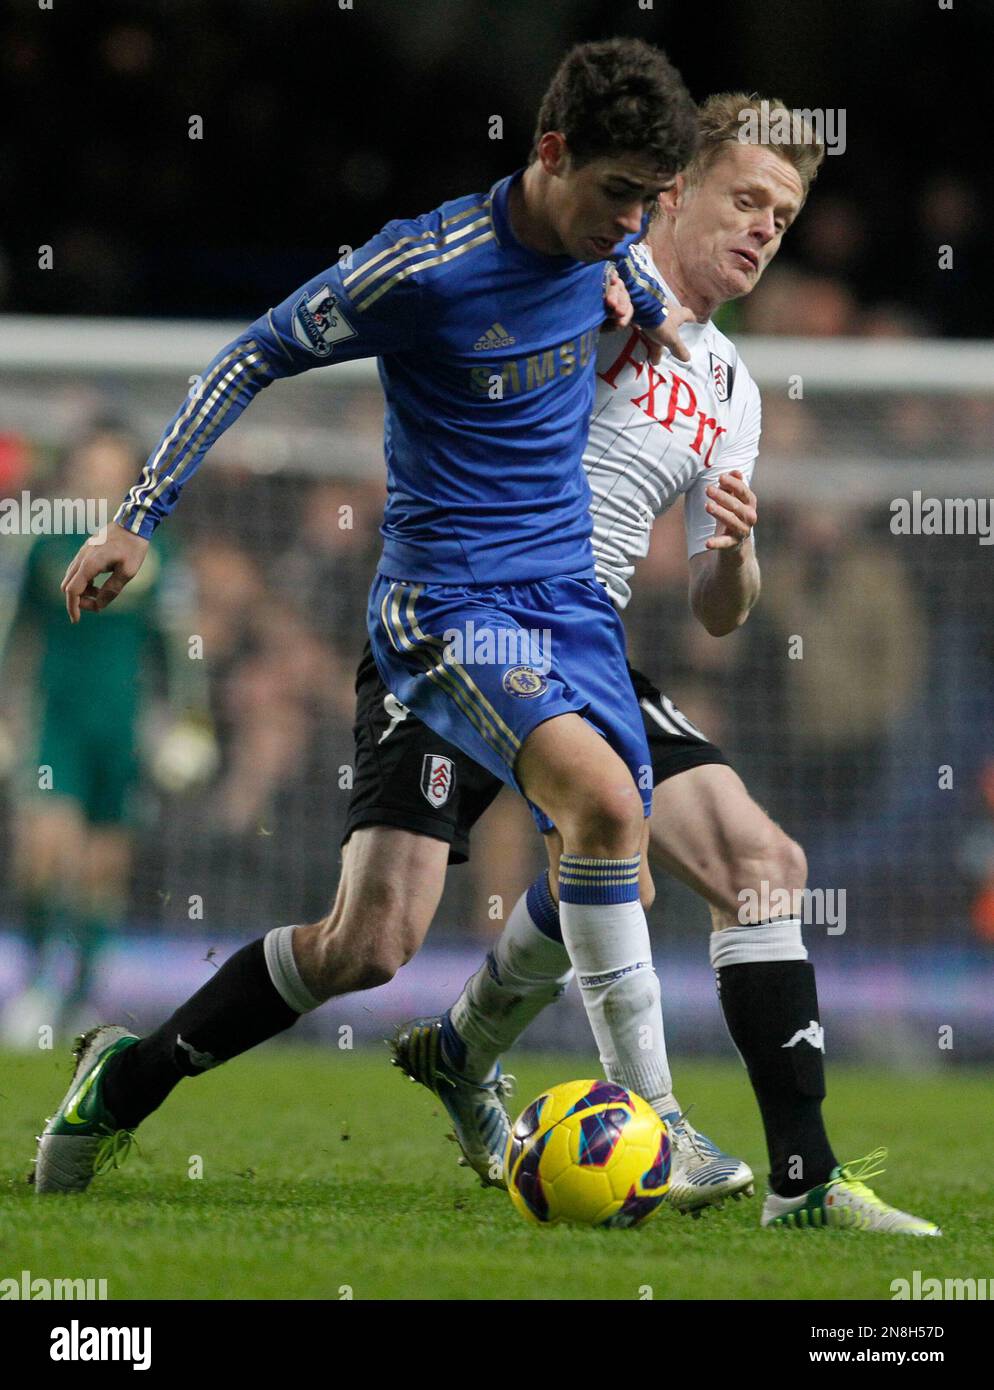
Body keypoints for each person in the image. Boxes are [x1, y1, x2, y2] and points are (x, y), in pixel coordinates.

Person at [32, 38, 702, 1211]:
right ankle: (671, 1133)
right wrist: (138, 519)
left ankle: (133, 1077)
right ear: (549, 153)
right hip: (449, 615)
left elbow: (642, 294)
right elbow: (250, 354)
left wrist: (641, 299)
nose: (634, 222)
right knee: (599, 809)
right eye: (617, 197)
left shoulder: (620, 243)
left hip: (566, 610)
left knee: (372, 943)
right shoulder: (424, 268)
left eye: (652, 202)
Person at [390, 92, 939, 1234]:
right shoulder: (578, 274)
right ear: (674, 188)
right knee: (364, 939)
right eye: (745, 197)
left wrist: (734, 551)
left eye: (782, 218)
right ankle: (155, 1076)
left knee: (758, 858)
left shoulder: (730, 381)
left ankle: (802, 1183)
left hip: (587, 645)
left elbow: (719, 612)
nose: (760, 229)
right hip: (471, 618)